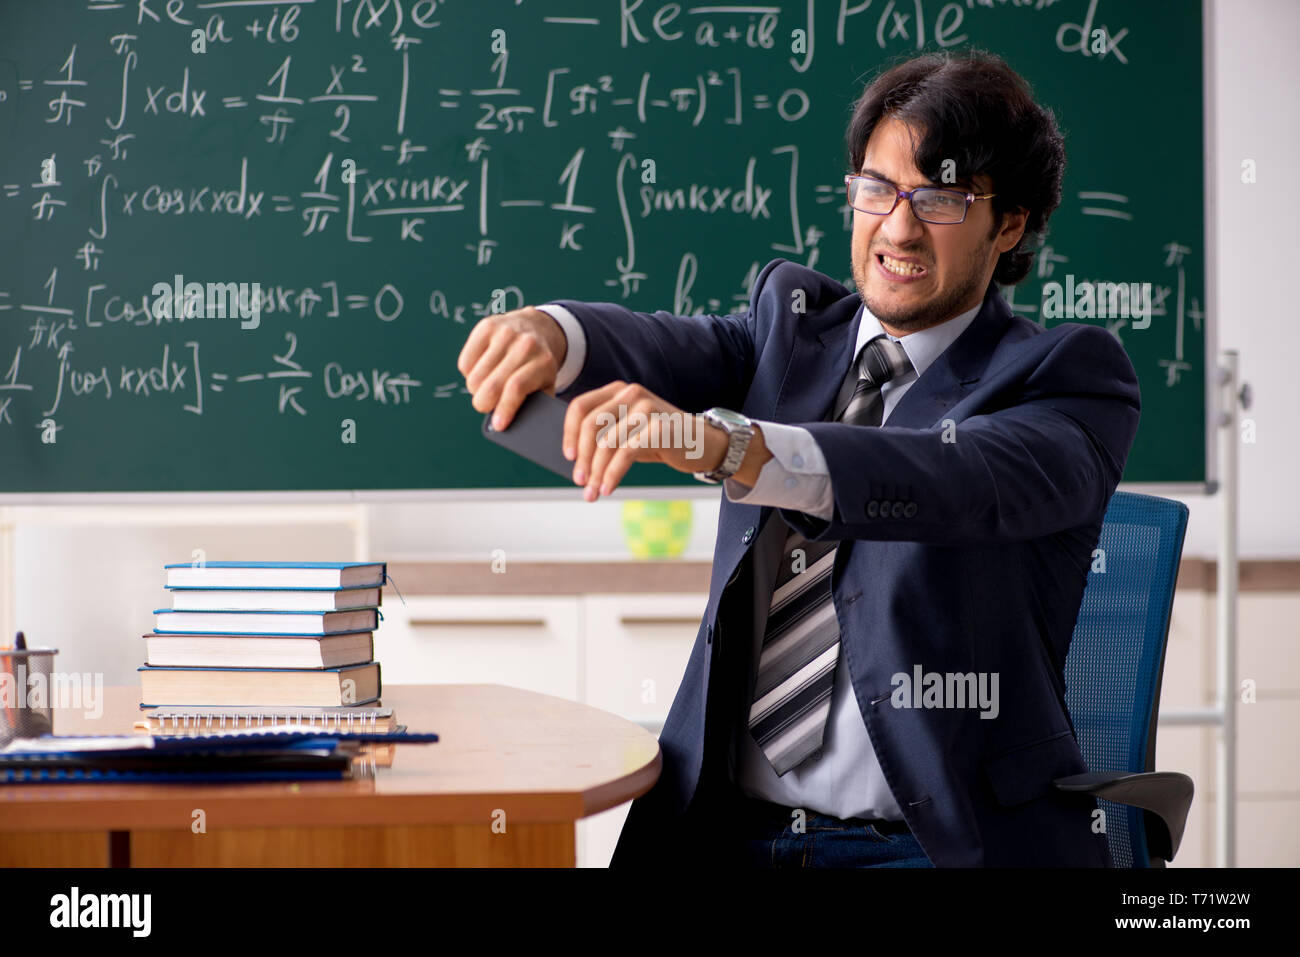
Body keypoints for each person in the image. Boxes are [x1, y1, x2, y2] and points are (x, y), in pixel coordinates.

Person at [457, 49, 1139, 867]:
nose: (899, 227)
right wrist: (554, 333)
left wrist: (729, 443)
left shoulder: (1062, 380)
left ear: (1012, 223)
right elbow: (667, 343)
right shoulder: (790, 328)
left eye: (942, 199)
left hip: (929, 847)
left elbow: (944, 479)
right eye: (878, 188)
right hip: (727, 834)